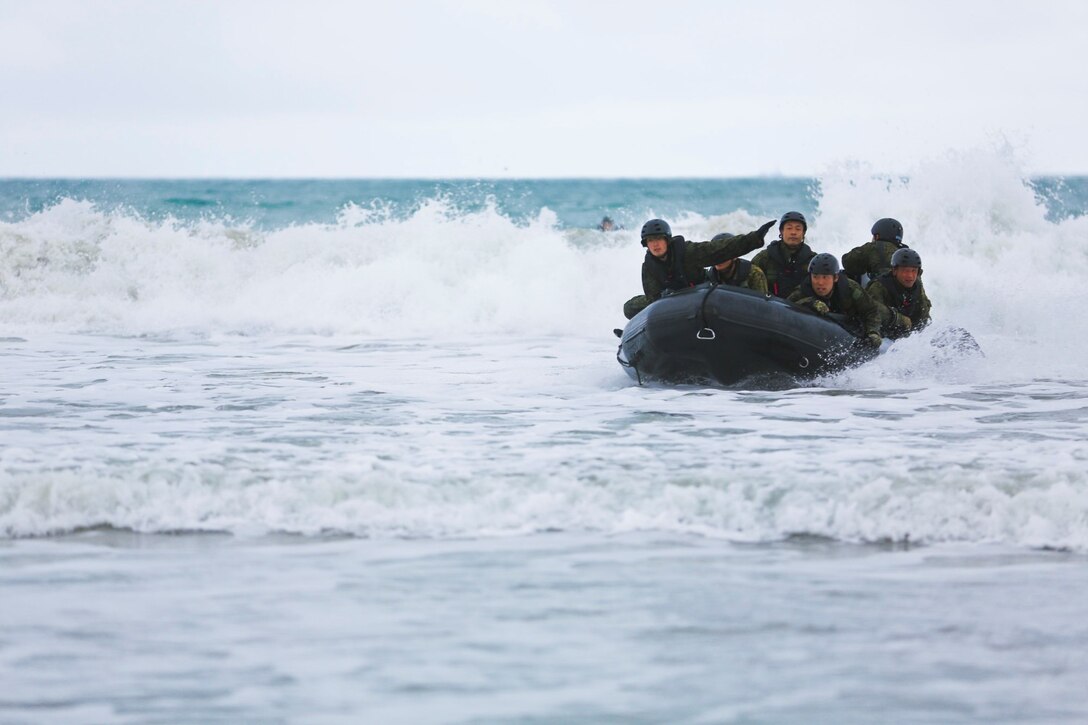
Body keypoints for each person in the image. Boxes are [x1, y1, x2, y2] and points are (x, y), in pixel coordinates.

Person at [622, 218, 776, 320]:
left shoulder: (687, 252)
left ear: (667, 240)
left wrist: (754, 238)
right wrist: (662, 297)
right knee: (629, 308)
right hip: (670, 306)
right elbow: (652, 297)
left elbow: (720, 249)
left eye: (658, 239)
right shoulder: (649, 267)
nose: (655, 244)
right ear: (646, 244)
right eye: (651, 241)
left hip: (702, 298)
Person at [787, 253, 883, 348]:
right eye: (815, 277)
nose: (820, 283)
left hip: (849, 333)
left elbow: (871, 311)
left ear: (835, 278)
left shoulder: (850, 289)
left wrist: (873, 332)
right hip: (814, 336)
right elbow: (786, 308)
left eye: (825, 277)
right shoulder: (803, 290)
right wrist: (809, 303)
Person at [866, 247, 932, 339]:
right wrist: (899, 319)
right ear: (894, 271)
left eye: (914, 271)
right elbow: (871, 312)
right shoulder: (879, 286)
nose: (910, 276)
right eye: (905, 271)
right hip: (883, 336)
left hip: (906, 337)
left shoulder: (917, 285)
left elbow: (924, 314)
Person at [751, 211, 817, 298]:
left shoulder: (813, 260)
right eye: (789, 228)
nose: (793, 232)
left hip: (801, 308)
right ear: (781, 231)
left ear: (803, 233)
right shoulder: (766, 257)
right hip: (769, 306)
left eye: (798, 229)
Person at [842, 217, 908, 284]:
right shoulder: (907, 253)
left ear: (877, 236)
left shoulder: (873, 247)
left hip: (880, 291)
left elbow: (848, 263)